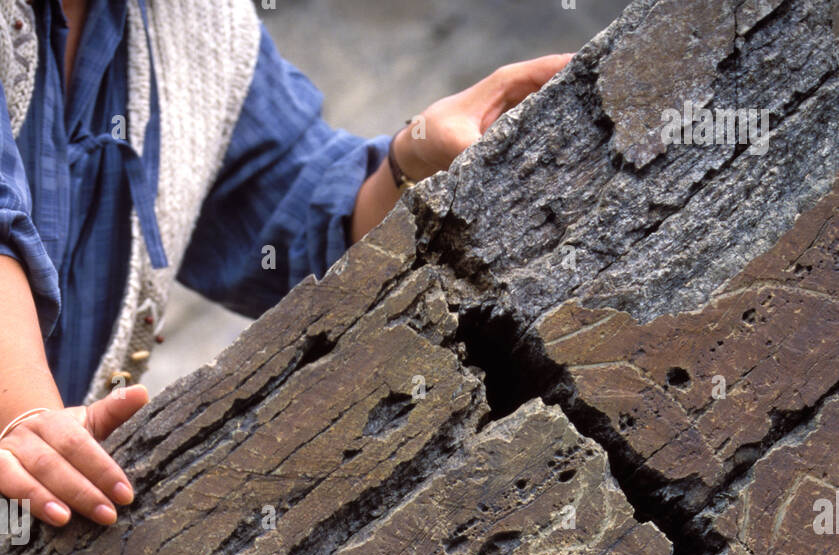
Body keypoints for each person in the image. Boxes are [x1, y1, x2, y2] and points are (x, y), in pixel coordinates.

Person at [0, 0, 570, 528]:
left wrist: (412, 155)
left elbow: (293, 215)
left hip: (45, 502)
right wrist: (23, 418)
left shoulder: (192, 23)